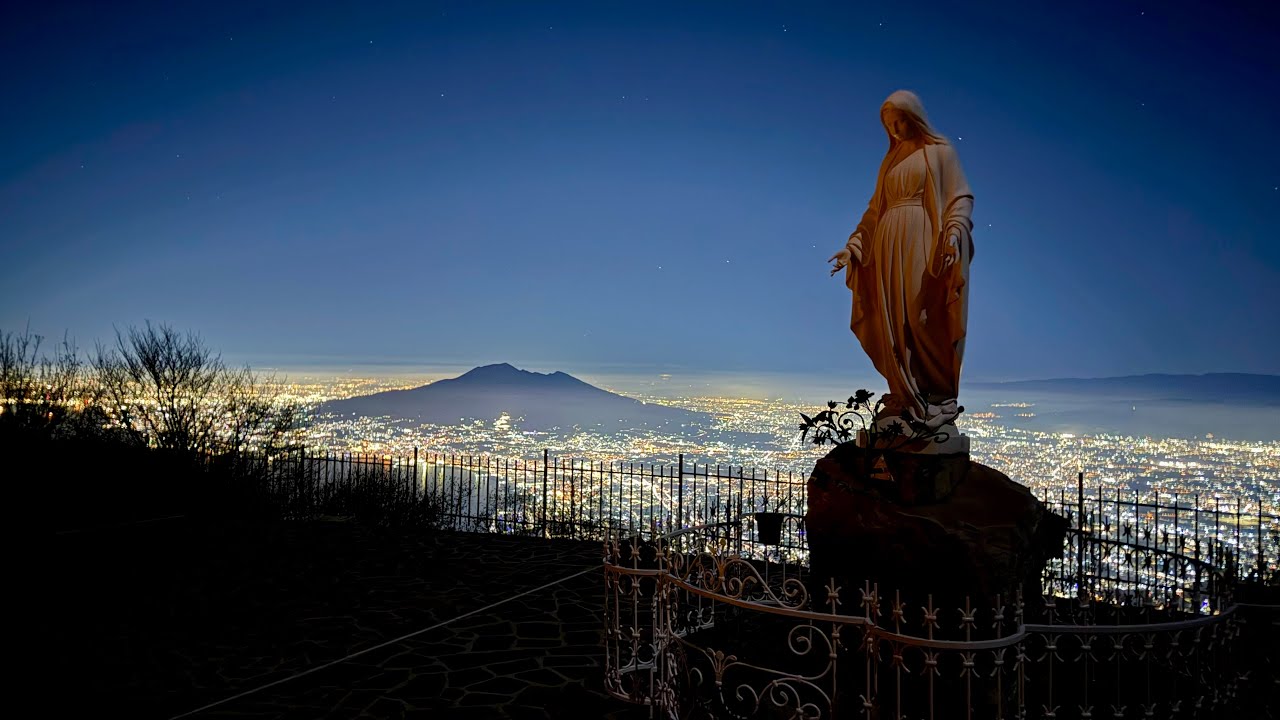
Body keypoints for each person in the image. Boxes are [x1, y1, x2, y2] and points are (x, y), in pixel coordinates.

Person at [828, 90, 974, 429]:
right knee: (893, 323)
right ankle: (905, 394)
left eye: (900, 121)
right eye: (889, 125)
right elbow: (874, 211)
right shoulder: (890, 161)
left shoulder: (939, 152)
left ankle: (935, 394)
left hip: (922, 240)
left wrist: (953, 233)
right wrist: (853, 247)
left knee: (920, 316)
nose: (894, 130)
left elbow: (959, 198)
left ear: (915, 118)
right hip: (886, 245)